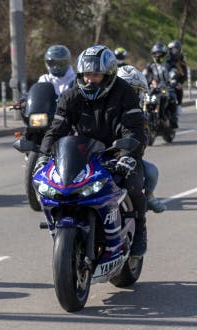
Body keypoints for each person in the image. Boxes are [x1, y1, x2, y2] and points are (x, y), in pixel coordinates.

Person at [39, 45, 148, 256]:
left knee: (134, 184)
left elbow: (134, 130)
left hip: (118, 151)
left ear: (108, 75)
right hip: (83, 153)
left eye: (95, 74)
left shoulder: (124, 93)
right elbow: (56, 129)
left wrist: (128, 156)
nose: (90, 79)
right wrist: (43, 156)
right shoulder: (71, 95)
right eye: (86, 74)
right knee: (62, 188)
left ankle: (141, 229)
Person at [117, 65, 166, 213]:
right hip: (102, 154)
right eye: (126, 90)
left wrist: (128, 151)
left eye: (134, 90)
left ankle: (149, 197)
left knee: (152, 172)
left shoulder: (139, 114)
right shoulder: (106, 108)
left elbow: (143, 137)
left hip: (130, 156)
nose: (130, 94)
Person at [144, 42, 178, 129]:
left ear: (163, 54)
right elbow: (144, 74)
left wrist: (173, 79)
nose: (157, 55)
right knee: (143, 99)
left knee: (172, 98)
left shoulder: (169, 64)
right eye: (155, 53)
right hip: (153, 89)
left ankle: (173, 120)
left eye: (159, 53)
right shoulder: (150, 65)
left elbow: (173, 72)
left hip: (166, 87)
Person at [166, 40, 188, 120]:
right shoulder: (166, 60)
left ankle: (178, 105)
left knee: (179, 89)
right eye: (172, 50)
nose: (174, 52)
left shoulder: (181, 62)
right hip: (165, 82)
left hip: (176, 82)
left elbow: (184, 75)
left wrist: (180, 83)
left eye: (176, 50)